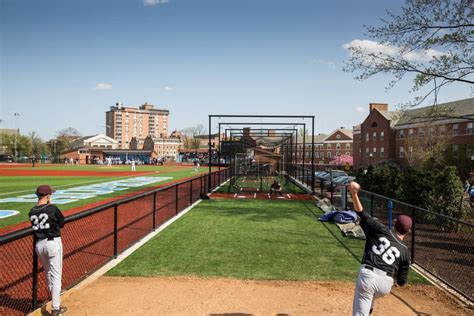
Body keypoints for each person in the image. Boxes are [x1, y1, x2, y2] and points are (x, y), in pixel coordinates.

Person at [348, 181, 412, 316]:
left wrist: (354, 193)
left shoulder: (381, 229)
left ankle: (367, 307)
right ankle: (369, 306)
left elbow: (361, 213)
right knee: (369, 298)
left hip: (368, 278)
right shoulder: (405, 251)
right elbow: (401, 282)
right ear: (408, 231)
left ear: (394, 225)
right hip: (385, 285)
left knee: (362, 306)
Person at [29, 185, 67, 316]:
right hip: (52, 243)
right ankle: (56, 308)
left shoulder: (32, 211)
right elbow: (61, 223)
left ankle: (54, 298)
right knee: (56, 276)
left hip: (39, 245)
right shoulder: (52, 208)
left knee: (49, 273)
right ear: (47, 196)